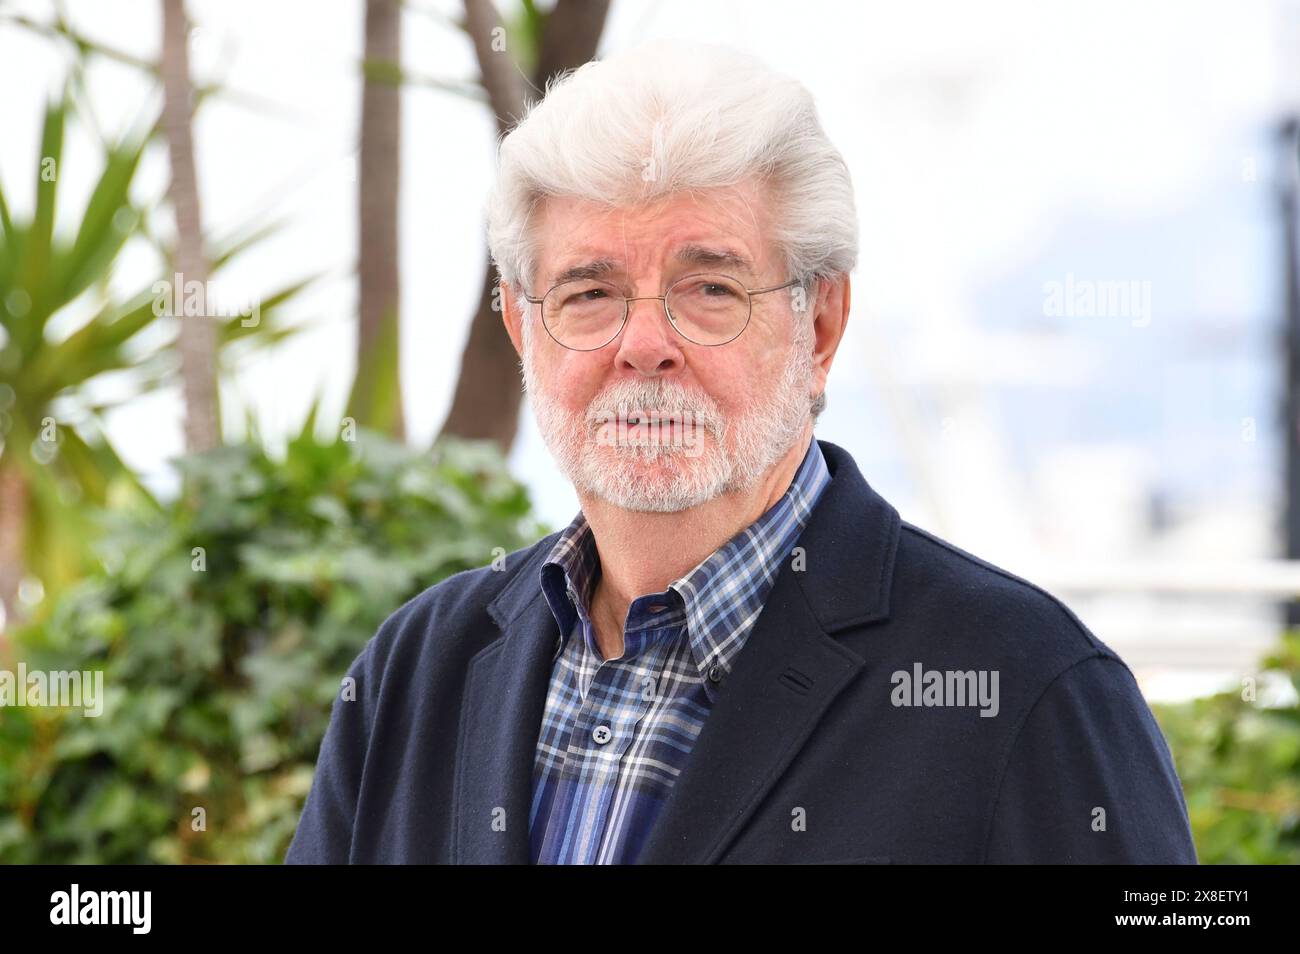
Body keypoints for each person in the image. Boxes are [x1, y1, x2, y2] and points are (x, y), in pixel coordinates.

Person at [286, 37, 1197, 865]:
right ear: (526, 331)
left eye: (710, 288)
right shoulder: (417, 669)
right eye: (589, 293)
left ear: (822, 323)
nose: (644, 344)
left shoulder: (1025, 692)